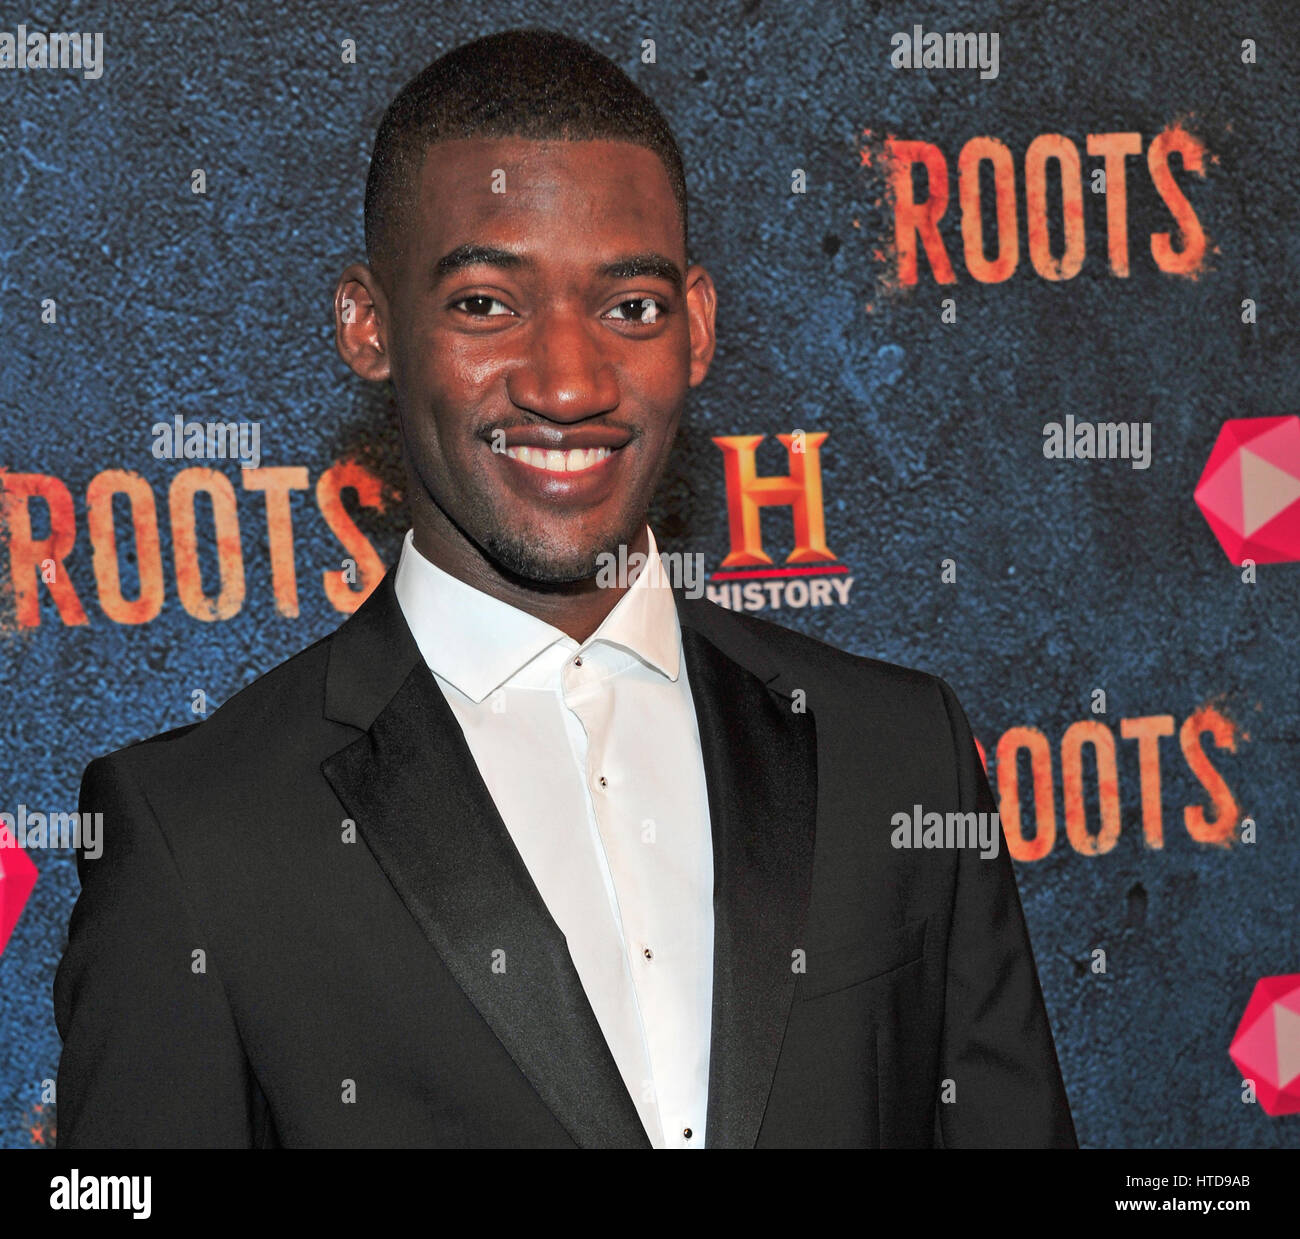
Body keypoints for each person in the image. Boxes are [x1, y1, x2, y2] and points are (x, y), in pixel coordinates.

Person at [54, 27, 1076, 1149]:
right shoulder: (202, 836)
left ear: (695, 326)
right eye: (485, 304)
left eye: (628, 307)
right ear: (368, 324)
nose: (567, 381)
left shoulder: (897, 750)